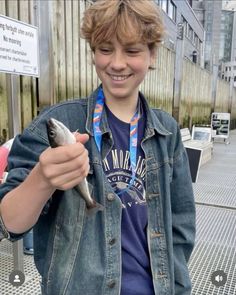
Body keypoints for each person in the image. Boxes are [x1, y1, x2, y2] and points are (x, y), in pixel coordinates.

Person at [0, 1, 196, 294]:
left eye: (132, 51)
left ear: (152, 54)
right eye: (105, 49)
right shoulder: (57, 122)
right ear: (93, 52)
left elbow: (181, 223)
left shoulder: (167, 131)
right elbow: (10, 225)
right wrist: (42, 179)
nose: (117, 63)